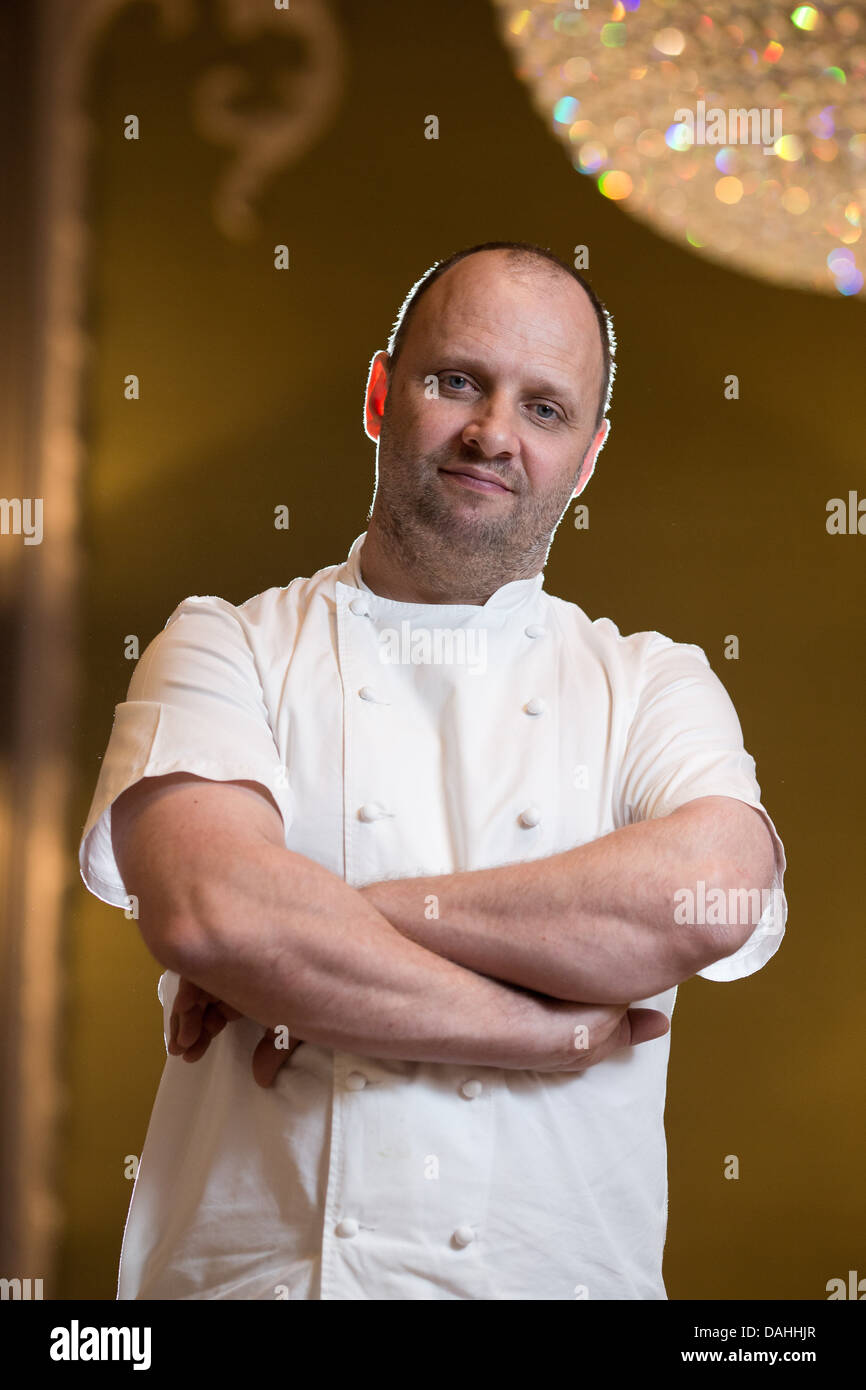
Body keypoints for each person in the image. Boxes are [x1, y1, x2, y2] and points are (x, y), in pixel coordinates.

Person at [79, 241, 786, 1301]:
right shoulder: (225, 643)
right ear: (379, 394)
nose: (490, 432)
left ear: (586, 458)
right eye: (455, 380)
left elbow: (717, 893)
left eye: (542, 409)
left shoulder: (650, 684)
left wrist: (320, 926)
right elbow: (210, 918)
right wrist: (544, 1028)